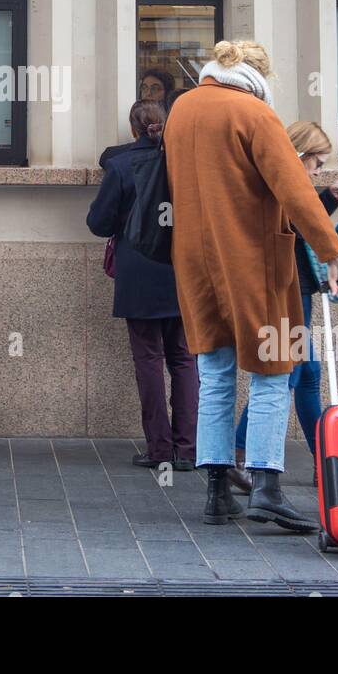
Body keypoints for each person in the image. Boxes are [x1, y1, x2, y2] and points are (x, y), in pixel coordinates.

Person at [164, 40, 338, 532]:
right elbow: (295, 190)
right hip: (256, 265)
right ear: (256, 74)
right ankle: (266, 486)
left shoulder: (181, 109)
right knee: (274, 371)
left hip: (196, 265)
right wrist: (333, 254)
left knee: (216, 375)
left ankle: (217, 492)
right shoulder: (255, 113)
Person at [228, 121, 338, 493]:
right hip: (285, 290)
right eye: (317, 163)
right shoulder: (281, 178)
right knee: (286, 375)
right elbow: (297, 221)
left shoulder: (282, 178)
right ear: (301, 155)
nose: (317, 170)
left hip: (295, 289)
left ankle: (321, 462)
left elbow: (299, 218)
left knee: (303, 374)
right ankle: (240, 454)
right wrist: (325, 199)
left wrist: (326, 196)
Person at [87, 100, 198, 471]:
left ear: (134, 130)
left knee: (148, 360)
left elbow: (99, 223)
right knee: (184, 360)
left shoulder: (121, 165)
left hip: (139, 274)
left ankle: (159, 448)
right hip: (183, 272)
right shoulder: (187, 161)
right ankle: (189, 449)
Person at [99, 67, 176, 167]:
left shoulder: (172, 118)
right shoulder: (139, 114)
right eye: (144, 88)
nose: (148, 93)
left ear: (167, 93)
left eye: (155, 88)